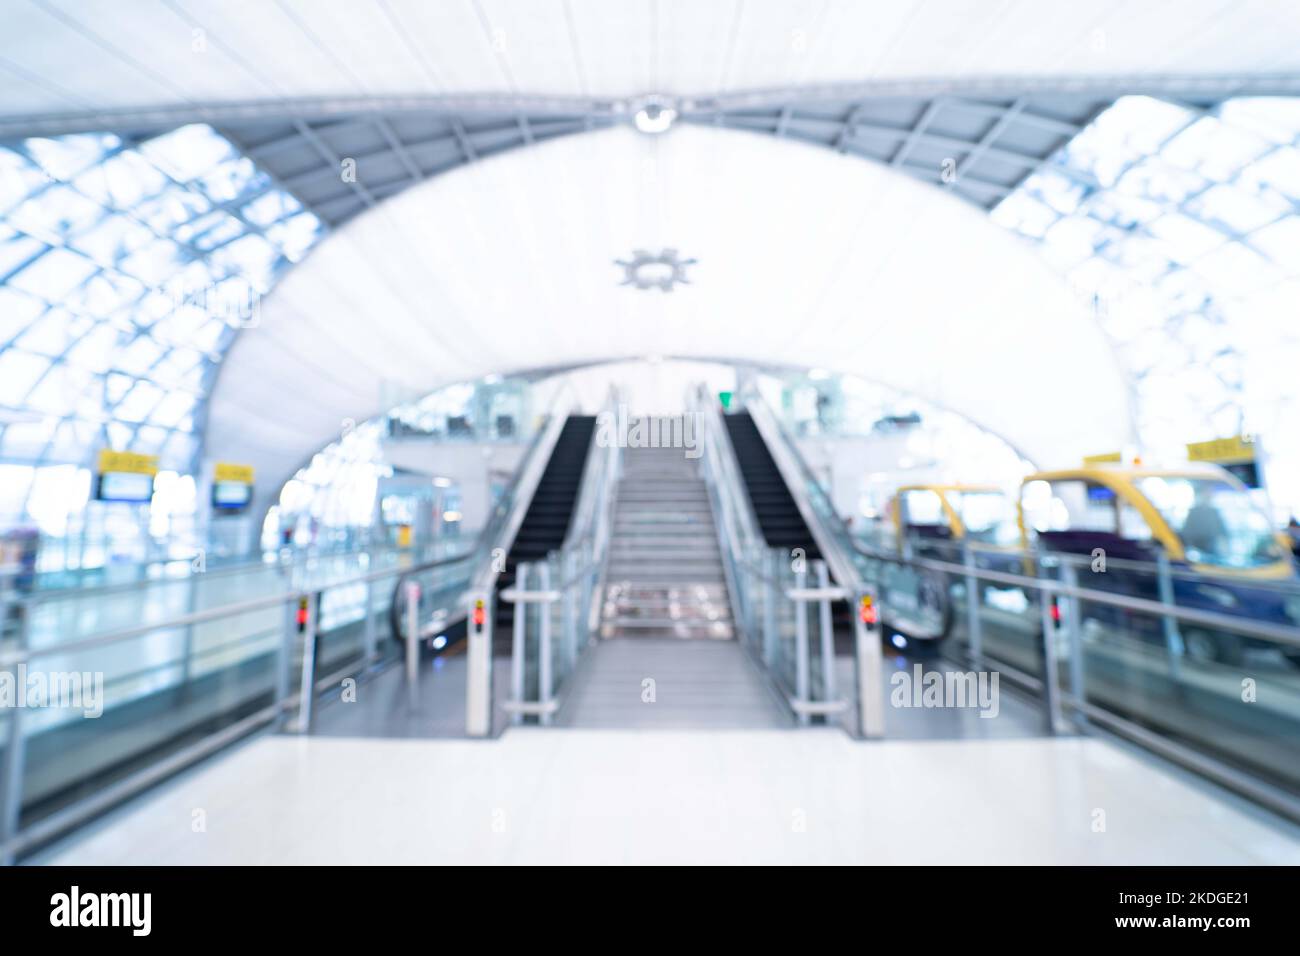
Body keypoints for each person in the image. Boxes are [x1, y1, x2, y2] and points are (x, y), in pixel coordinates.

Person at [1181, 484, 1227, 557]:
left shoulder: (1214, 512)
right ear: (1202, 495)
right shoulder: (1194, 512)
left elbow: (1222, 531)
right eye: (1206, 493)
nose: (1208, 496)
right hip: (1195, 550)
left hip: (1211, 550)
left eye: (1210, 494)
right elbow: (1186, 532)